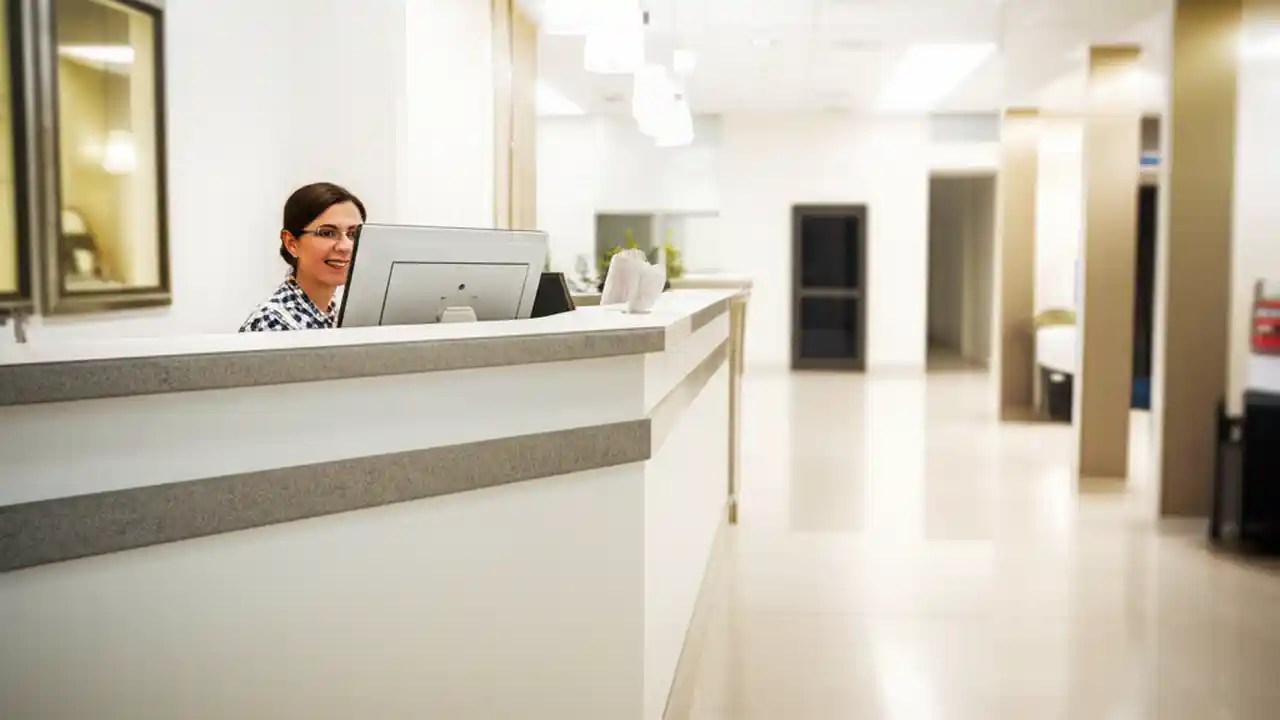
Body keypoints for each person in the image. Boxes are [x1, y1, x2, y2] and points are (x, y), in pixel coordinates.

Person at [240, 182, 366, 332]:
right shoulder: (272, 324)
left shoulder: (333, 313)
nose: (346, 247)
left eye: (353, 234)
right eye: (327, 233)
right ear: (291, 243)